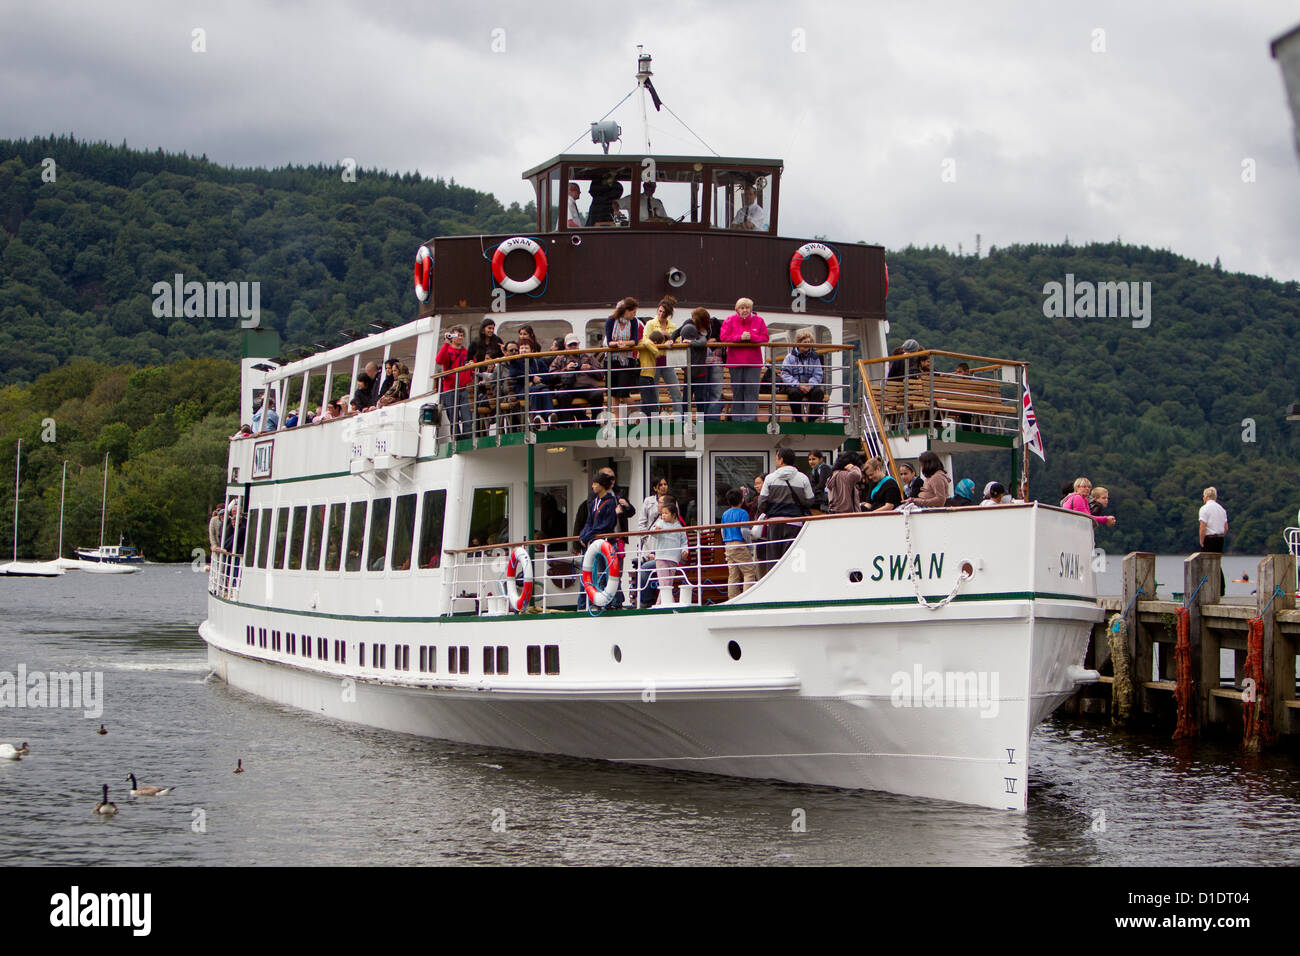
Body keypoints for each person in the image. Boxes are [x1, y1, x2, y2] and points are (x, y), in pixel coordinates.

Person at [757, 448, 815, 564]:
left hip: (774, 523)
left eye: (776, 458)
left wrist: (769, 511)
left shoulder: (770, 478)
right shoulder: (803, 478)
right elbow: (810, 500)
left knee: (773, 560)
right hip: (795, 523)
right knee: (791, 560)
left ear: (781, 460)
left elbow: (762, 503)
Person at [719, 298, 769, 422]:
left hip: (753, 362)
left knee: (752, 391)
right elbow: (724, 337)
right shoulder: (729, 320)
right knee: (737, 391)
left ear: (751, 309)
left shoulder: (759, 320)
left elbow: (765, 337)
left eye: (747, 308)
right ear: (737, 309)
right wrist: (739, 337)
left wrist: (752, 337)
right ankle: (737, 419)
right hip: (735, 362)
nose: (745, 310)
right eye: (742, 308)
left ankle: (749, 419)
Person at [576, 473, 619, 610]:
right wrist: (582, 536)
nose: (593, 486)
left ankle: (610, 602)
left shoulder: (610, 502)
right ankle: (597, 602)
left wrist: (587, 536)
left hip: (606, 542)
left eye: (595, 483)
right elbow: (589, 522)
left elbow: (607, 525)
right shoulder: (594, 502)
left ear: (602, 485)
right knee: (598, 572)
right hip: (595, 542)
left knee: (607, 573)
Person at [639, 296, 683, 417]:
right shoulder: (650, 324)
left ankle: (679, 417)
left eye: (664, 312)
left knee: (675, 390)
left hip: (668, 362)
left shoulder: (672, 326)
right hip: (653, 362)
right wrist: (661, 340)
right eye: (659, 311)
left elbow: (678, 341)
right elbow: (646, 340)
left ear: (668, 314)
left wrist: (669, 337)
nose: (661, 314)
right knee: (654, 393)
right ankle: (655, 418)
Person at [647, 495, 688, 605]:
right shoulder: (660, 524)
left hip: (674, 558)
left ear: (673, 515)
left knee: (668, 583)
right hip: (661, 557)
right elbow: (653, 534)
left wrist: (685, 551)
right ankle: (665, 604)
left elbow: (684, 542)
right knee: (664, 583)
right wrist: (655, 531)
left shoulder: (679, 527)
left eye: (666, 513)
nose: (663, 515)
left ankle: (662, 603)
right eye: (662, 513)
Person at [636, 475, 669, 607]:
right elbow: (642, 522)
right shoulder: (648, 501)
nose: (664, 487)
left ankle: (650, 601)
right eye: (661, 485)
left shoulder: (671, 501)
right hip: (649, 543)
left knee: (648, 569)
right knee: (642, 568)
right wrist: (646, 538)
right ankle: (646, 599)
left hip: (664, 547)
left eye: (665, 484)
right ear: (655, 488)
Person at [720, 487, 757, 599]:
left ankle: (733, 598)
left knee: (733, 574)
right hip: (739, 544)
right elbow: (744, 531)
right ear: (742, 500)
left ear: (728, 501)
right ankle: (746, 599)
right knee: (749, 571)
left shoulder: (725, 514)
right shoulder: (743, 513)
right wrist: (749, 545)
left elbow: (722, 531)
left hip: (728, 545)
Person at [604, 297, 642, 408]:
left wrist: (625, 343)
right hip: (612, 360)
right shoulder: (611, 320)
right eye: (633, 312)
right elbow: (609, 341)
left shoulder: (634, 322)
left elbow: (635, 340)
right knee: (613, 393)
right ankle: (618, 418)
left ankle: (639, 414)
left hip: (627, 360)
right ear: (626, 310)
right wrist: (617, 344)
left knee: (624, 393)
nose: (634, 315)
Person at [435, 326, 472, 437]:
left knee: (467, 418)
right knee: (453, 419)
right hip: (450, 389)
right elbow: (439, 360)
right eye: (457, 335)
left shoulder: (466, 352)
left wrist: (471, 365)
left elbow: (473, 366)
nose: (460, 338)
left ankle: (467, 441)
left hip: (464, 388)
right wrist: (446, 343)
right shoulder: (447, 350)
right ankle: (456, 441)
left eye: (461, 336)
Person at [780, 333, 825, 422]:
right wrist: (798, 385)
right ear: (798, 343)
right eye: (805, 342)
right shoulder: (790, 357)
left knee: (818, 392)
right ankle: (798, 419)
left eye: (809, 342)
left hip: (809, 386)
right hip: (795, 385)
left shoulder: (815, 357)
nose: (807, 344)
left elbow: (818, 374)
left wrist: (810, 385)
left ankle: (811, 420)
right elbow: (785, 374)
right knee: (794, 393)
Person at [1199, 486, 1227, 553]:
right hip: (1220, 539)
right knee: (1216, 558)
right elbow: (1226, 528)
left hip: (1209, 539)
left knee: (1206, 558)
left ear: (1206, 496)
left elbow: (1203, 527)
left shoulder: (1204, 508)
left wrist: (1201, 540)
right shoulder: (1222, 509)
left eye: (1203, 496)